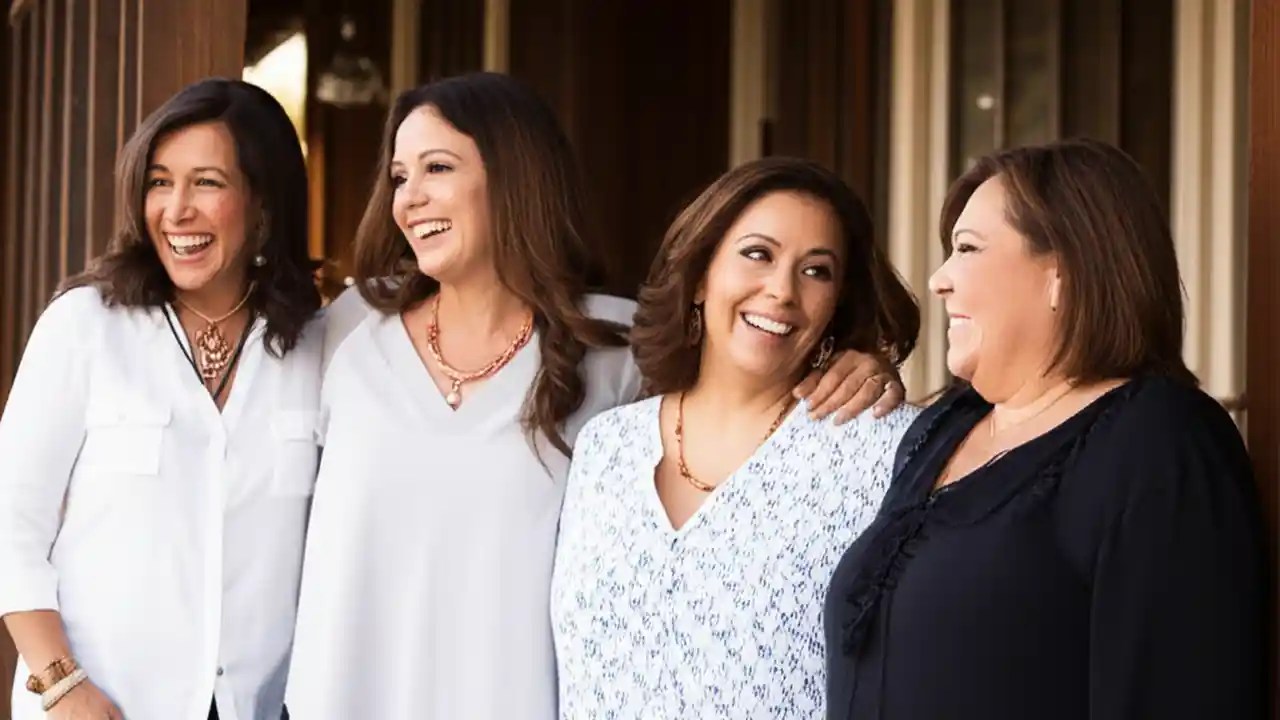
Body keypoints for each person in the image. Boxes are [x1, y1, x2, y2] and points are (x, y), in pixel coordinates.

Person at [284, 72, 903, 720]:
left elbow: (745, 375)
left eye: (436, 167)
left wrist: (858, 366)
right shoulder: (347, 332)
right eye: (399, 176)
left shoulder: (613, 348)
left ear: (514, 175)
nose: (408, 198)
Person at [823, 139, 1265, 720]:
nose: (938, 280)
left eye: (967, 248)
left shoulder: (1158, 442)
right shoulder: (940, 429)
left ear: (1063, 272)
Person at [550, 157, 922, 719]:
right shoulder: (607, 446)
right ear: (701, 275)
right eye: (757, 254)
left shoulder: (881, 449)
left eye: (816, 271)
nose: (781, 290)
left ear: (836, 305)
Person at [0, 79, 323, 720]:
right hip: (95, 706)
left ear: (263, 203)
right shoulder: (85, 325)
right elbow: (11, 521)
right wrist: (62, 686)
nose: (176, 209)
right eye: (158, 182)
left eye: (207, 183)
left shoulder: (321, 348)